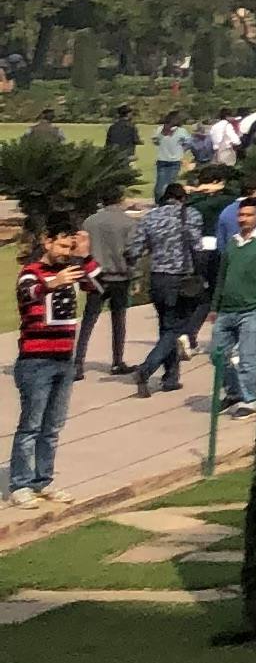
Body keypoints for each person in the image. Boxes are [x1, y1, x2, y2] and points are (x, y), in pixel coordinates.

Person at [10, 227, 89, 500]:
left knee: (53, 427)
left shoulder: (73, 271)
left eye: (70, 248)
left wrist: (85, 255)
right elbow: (28, 292)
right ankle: (20, 484)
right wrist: (53, 282)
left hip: (64, 360)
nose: (66, 253)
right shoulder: (31, 272)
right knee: (31, 426)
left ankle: (43, 481)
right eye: (62, 247)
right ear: (47, 242)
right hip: (36, 360)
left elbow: (99, 283)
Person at [130, 182, 212, 392]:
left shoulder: (150, 217)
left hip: (158, 278)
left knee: (166, 327)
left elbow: (135, 250)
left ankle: (171, 377)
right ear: (183, 198)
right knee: (176, 329)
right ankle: (147, 369)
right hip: (181, 279)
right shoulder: (191, 215)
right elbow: (196, 245)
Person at [209, 200, 256, 411]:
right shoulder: (232, 243)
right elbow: (222, 276)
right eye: (241, 215)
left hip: (253, 309)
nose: (243, 219)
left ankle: (250, 400)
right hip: (227, 309)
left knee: (247, 358)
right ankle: (234, 392)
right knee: (217, 355)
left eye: (248, 215)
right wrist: (214, 306)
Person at [80, 178, 144, 374]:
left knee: (89, 320)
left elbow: (82, 249)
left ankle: (77, 363)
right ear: (120, 199)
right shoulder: (128, 222)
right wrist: (136, 275)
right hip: (119, 276)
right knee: (118, 319)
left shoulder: (89, 222)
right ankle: (117, 361)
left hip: (96, 276)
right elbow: (132, 252)